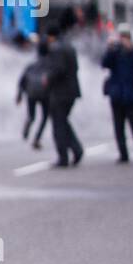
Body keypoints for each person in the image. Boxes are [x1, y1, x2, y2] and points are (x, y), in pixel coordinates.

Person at [101, 25, 133, 164]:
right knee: (118, 128)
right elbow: (104, 63)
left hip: (132, 96)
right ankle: (123, 154)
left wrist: (131, 49)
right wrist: (110, 48)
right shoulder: (115, 52)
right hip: (117, 96)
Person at [43, 25, 83, 167]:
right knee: (63, 122)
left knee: (58, 126)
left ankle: (63, 157)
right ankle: (76, 150)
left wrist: (48, 78)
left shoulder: (56, 48)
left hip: (60, 92)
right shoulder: (69, 47)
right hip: (71, 91)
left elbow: (58, 69)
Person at [16, 41, 50, 150]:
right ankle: (37, 138)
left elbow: (22, 81)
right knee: (44, 117)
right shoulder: (50, 64)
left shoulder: (31, 65)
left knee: (31, 116)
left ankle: (27, 128)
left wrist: (19, 95)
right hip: (45, 94)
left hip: (31, 93)